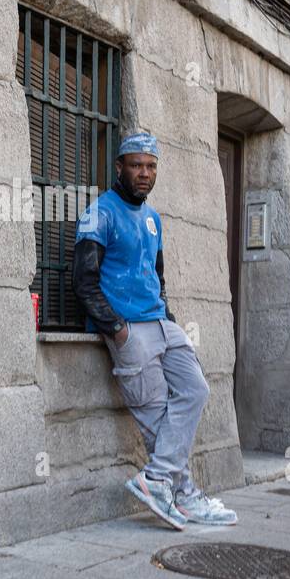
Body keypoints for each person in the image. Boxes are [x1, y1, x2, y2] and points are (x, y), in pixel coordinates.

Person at [72, 131, 237, 529]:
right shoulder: (100, 213)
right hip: (130, 331)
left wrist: (170, 320)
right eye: (136, 165)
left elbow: (156, 276)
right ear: (119, 168)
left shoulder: (153, 219)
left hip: (162, 323)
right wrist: (118, 330)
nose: (143, 173)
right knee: (157, 415)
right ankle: (185, 496)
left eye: (150, 166)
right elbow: (83, 280)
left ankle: (158, 478)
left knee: (196, 388)